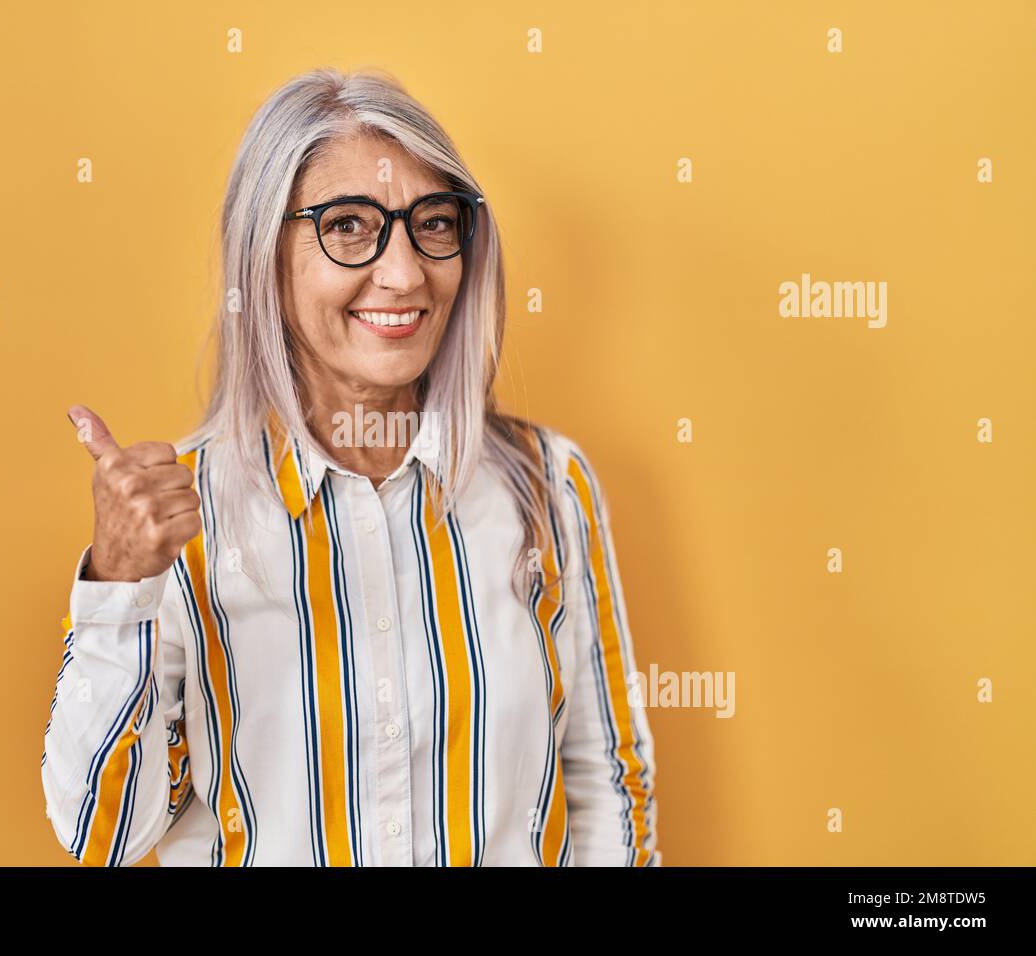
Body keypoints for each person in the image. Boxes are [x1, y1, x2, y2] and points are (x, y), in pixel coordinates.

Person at [41, 67, 658, 867]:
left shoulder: (548, 484)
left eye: (433, 223)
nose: (405, 274)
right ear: (265, 258)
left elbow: (606, 779)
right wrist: (119, 589)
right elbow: (107, 833)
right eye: (349, 226)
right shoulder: (181, 521)